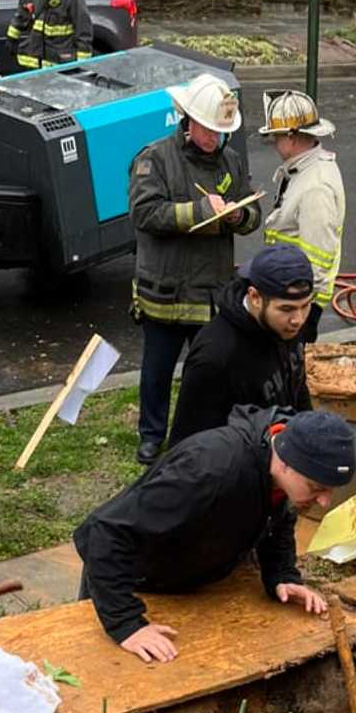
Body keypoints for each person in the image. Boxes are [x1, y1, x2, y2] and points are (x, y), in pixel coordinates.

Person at [74, 405, 355, 662]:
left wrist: (281, 575)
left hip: (187, 585)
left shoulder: (280, 464)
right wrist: (125, 623)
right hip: (129, 585)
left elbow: (276, 518)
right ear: (284, 463)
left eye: (331, 490)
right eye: (317, 487)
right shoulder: (207, 470)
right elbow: (105, 532)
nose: (325, 501)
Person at [128, 72, 259, 465]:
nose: (216, 139)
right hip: (165, 293)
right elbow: (144, 213)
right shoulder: (154, 158)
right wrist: (201, 211)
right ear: (188, 120)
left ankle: (200, 434)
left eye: (222, 131)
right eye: (210, 130)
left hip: (210, 295)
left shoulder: (231, 161)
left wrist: (240, 218)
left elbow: (253, 212)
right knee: (157, 373)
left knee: (208, 373)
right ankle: (151, 437)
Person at [168, 246, 313, 448]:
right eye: (286, 309)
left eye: (306, 305)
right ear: (255, 298)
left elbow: (297, 384)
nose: (298, 320)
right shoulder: (215, 357)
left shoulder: (288, 326)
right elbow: (190, 448)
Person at [258, 90, 345, 342]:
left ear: (292, 138)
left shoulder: (315, 186)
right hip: (292, 294)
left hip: (299, 302)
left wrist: (299, 307)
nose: (274, 143)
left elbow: (317, 257)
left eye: (276, 136)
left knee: (290, 371)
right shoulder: (304, 170)